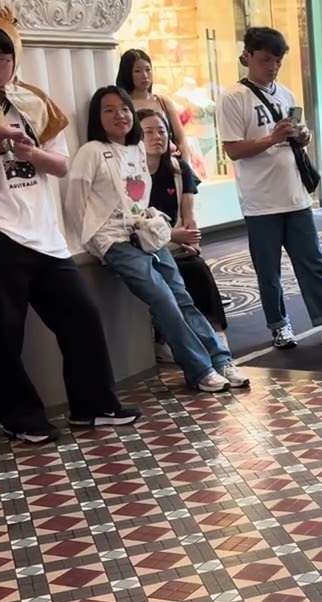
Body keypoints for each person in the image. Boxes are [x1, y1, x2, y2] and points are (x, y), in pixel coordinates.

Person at [0, 8, 139, 444]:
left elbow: (61, 166)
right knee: (4, 334)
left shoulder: (34, 100)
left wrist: (32, 153)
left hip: (44, 235)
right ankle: (21, 417)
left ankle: (94, 406)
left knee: (80, 315)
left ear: (14, 58)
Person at [65, 86, 249, 394]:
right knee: (163, 299)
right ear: (97, 117)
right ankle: (199, 369)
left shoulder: (136, 149)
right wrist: (92, 242)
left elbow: (137, 196)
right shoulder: (92, 152)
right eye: (108, 110)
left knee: (181, 296)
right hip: (114, 242)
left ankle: (221, 360)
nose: (119, 115)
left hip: (146, 235)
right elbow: (75, 203)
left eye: (123, 108)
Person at [217, 26, 322, 349]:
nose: (271, 67)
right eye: (265, 60)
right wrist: (272, 137)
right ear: (247, 57)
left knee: (312, 262)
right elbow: (232, 149)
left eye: (277, 61)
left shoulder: (285, 94)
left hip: (295, 196)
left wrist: (302, 136)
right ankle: (279, 326)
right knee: (268, 270)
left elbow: (301, 136)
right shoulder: (233, 98)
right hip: (260, 201)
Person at [137, 109, 229, 357]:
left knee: (196, 266)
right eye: (148, 132)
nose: (157, 137)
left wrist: (192, 240)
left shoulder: (180, 171)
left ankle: (216, 333)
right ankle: (163, 337)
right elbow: (135, 221)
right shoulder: (132, 175)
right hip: (144, 246)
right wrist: (172, 237)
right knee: (165, 275)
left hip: (176, 245)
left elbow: (189, 218)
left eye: (162, 130)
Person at [116, 48, 191, 165]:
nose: (145, 75)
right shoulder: (123, 105)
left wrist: (185, 167)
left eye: (148, 70)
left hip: (168, 164)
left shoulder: (163, 102)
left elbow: (181, 140)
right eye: (137, 71)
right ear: (127, 73)